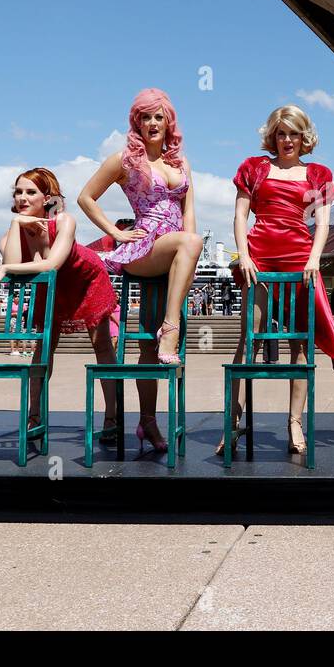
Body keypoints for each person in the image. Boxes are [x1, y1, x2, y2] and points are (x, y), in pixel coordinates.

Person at [78, 89, 204, 451]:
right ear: (136, 122)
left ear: (169, 123)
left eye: (158, 117)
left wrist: (190, 252)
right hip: (144, 245)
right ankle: (171, 328)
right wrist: (115, 232)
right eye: (145, 117)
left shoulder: (181, 163)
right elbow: (86, 197)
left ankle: (147, 422)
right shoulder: (125, 161)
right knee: (190, 243)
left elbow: (189, 212)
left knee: (148, 349)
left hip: (176, 249)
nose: (152, 123)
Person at [222, 104, 334, 456]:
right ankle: (232, 419)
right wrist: (243, 254)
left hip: (299, 256)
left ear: (303, 136)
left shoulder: (319, 174)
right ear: (273, 136)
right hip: (258, 255)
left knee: (300, 344)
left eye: (294, 133)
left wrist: (314, 259)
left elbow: (322, 223)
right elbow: (239, 215)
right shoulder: (254, 168)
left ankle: (294, 422)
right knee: (250, 337)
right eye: (281, 133)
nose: (287, 140)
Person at [0, 168, 119, 449]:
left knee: (102, 345)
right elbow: (16, 267)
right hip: (51, 285)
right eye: (18, 192)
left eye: (30, 192)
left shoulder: (65, 221)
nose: (22, 197)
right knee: (43, 348)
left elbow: (51, 263)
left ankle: (112, 417)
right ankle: (34, 416)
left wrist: (3, 267)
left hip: (85, 279)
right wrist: (18, 225)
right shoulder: (10, 234)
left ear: (47, 198)